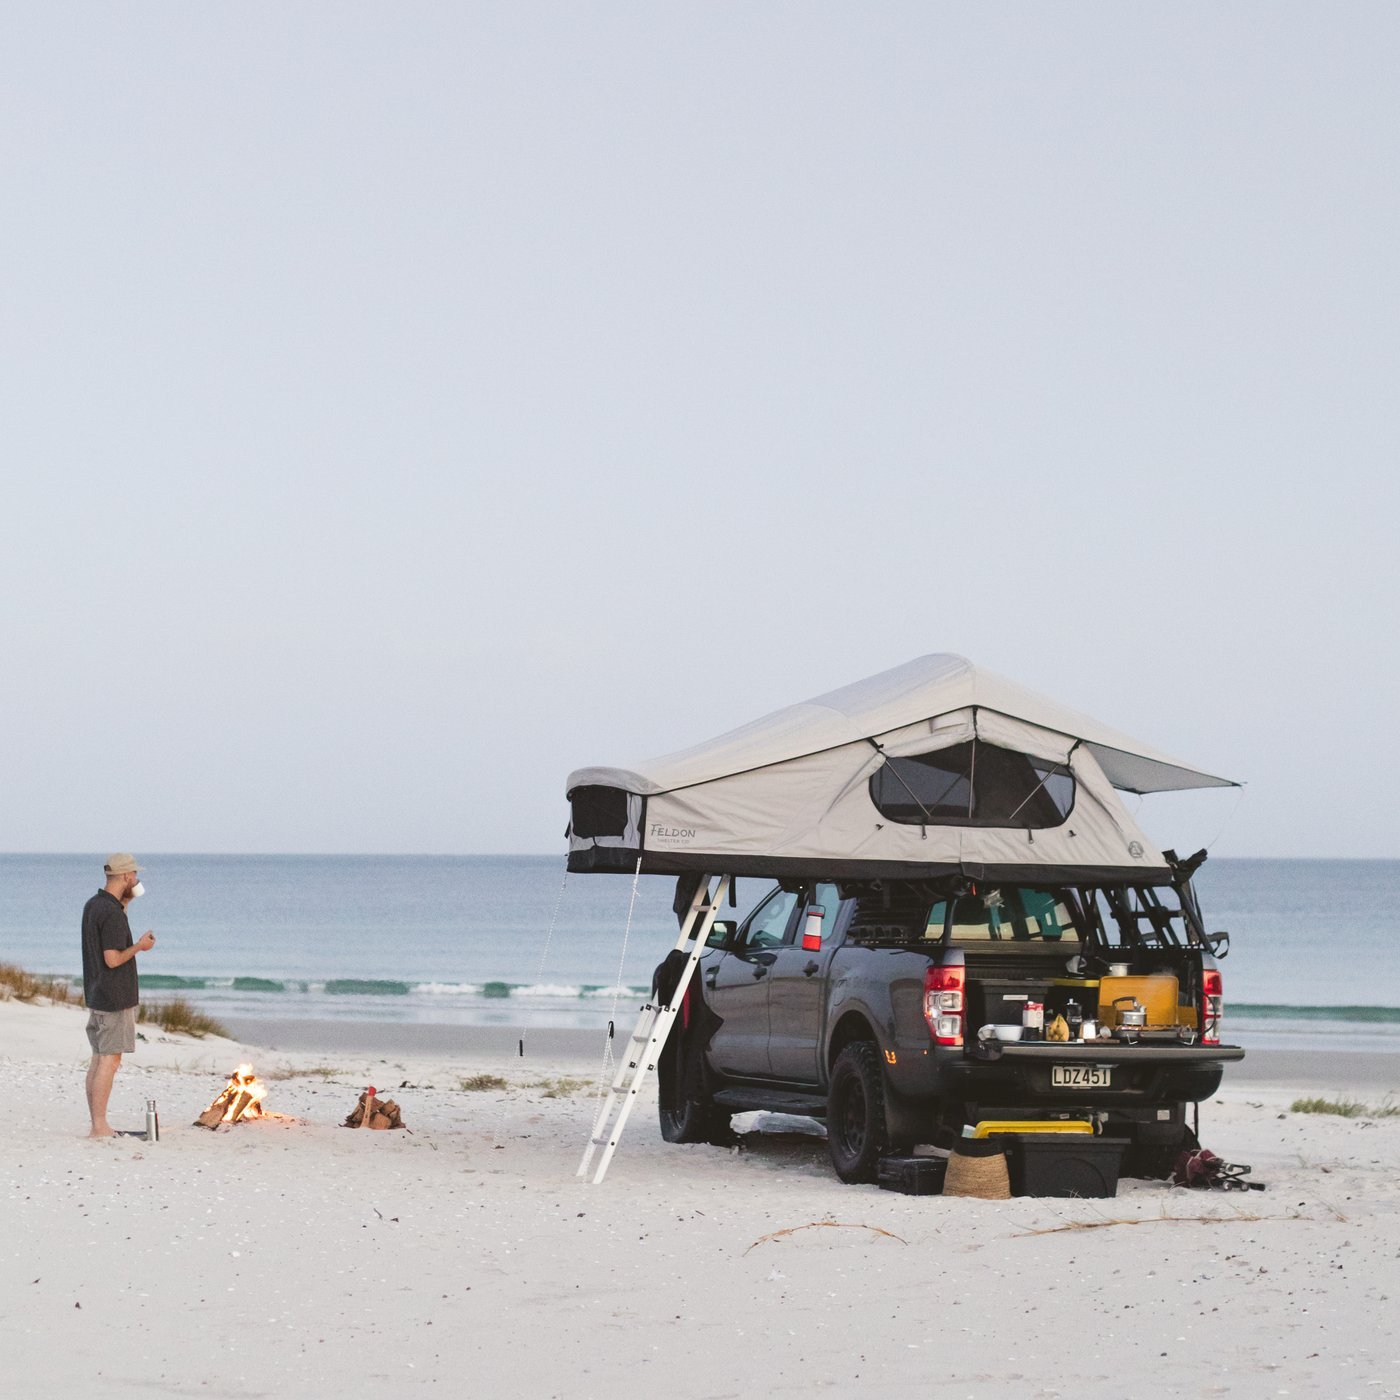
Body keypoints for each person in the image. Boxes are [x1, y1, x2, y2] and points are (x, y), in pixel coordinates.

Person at [81, 854, 156, 1137]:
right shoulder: (110, 912)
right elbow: (112, 959)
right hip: (115, 998)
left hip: (98, 993)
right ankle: (100, 1127)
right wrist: (139, 947)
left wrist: (126, 901)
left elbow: (108, 933)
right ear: (126, 876)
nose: (137, 880)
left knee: (100, 1059)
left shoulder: (96, 905)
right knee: (109, 1061)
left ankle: (96, 1124)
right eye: (134, 876)